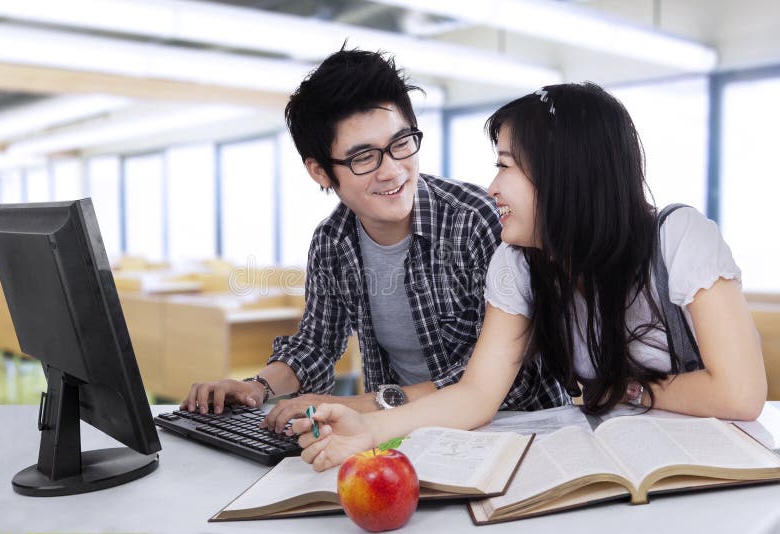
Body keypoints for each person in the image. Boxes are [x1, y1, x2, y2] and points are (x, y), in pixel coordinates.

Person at [292, 82, 767, 471]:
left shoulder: (679, 239)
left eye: (505, 167)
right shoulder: (519, 262)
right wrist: (371, 430)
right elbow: (477, 394)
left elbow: (740, 394)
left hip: (717, 467)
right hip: (617, 459)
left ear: (564, 175)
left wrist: (630, 389)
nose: (493, 187)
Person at [180, 48, 569, 431]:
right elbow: (316, 345)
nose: (392, 171)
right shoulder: (333, 242)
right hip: (404, 433)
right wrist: (256, 388)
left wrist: (363, 405)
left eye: (401, 144)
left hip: (520, 429)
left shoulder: (475, 220)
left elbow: (507, 379)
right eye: (364, 157)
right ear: (319, 171)